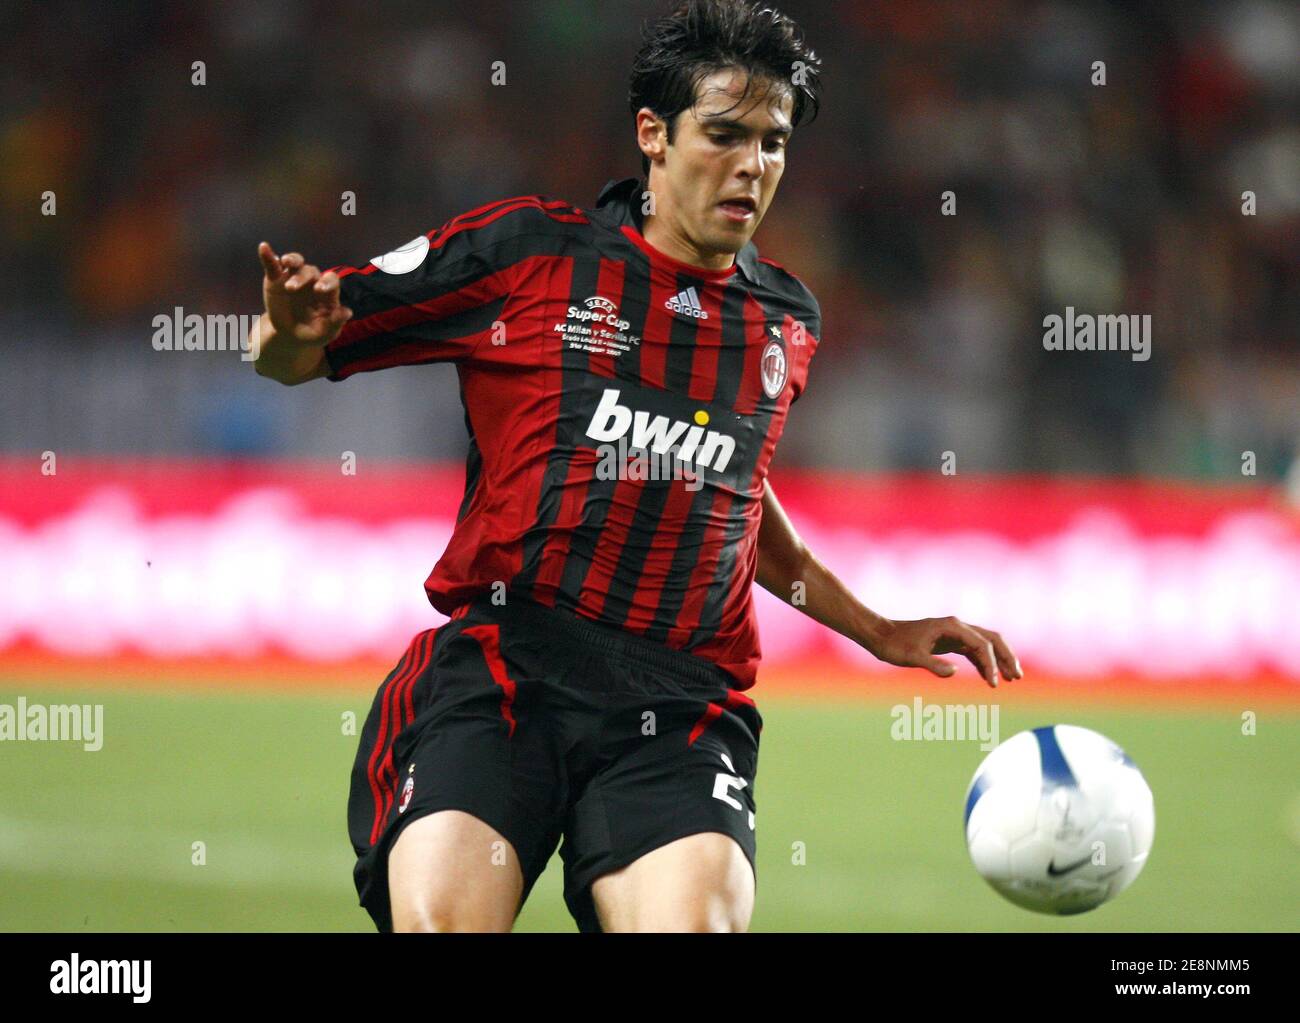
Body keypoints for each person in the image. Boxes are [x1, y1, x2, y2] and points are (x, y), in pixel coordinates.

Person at [249, 0, 1021, 933]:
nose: (753, 164)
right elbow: (303, 345)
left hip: (679, 703)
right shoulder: (528, 256)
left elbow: (730, 493)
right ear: (653, 134)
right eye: (725, 134)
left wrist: (875, 628)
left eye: (774, 141)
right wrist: (286, 336)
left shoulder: (786, 320)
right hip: (506, 674)